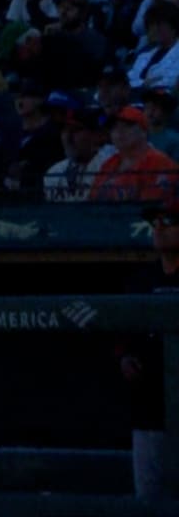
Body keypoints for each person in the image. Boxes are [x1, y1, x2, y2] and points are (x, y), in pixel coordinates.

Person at [121, 199, 179, 502]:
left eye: (167, 222)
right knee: (149, 497)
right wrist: (125, 358)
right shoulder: (142, 278)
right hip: (150, 409)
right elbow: (123, 335)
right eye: (154, 223)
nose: (158, 229)